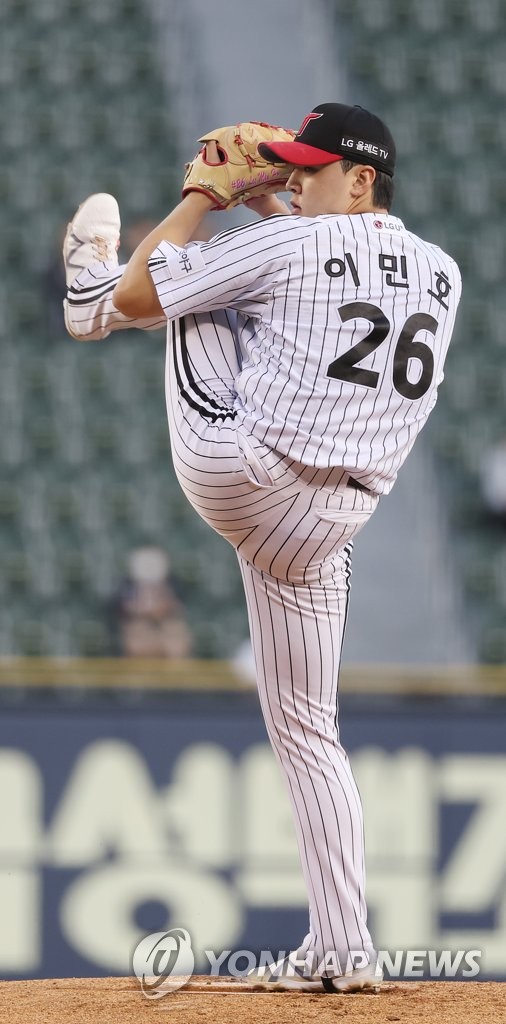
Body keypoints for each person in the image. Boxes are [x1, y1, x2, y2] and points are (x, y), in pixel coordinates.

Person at [62, 103, 461, 992]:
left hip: (240, 471)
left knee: (176, 295)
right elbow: (327, 273)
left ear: (361, 181)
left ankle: (75, 296)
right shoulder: (443, 271)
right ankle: (344, 949)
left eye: (309, 170)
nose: (292, 178)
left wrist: (208, 195)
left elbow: (153, 292)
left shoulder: (294, 247)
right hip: (331, 527)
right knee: (310, 730)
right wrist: (278, 199)